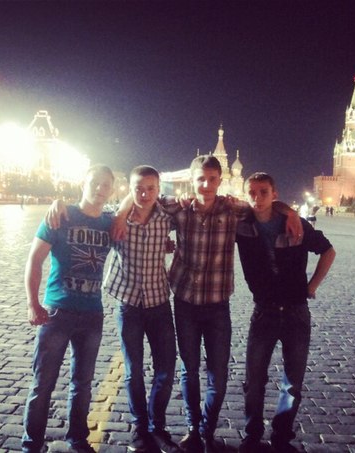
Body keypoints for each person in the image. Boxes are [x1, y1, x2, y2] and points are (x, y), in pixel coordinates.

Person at [113, 155, 301, 453]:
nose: (206, 185)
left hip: (217, 306)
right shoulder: (178, 208)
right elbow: (142, 196)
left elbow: (263, 203)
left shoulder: (233, 209)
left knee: (219, 376)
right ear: (192, 179)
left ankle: (207, 430)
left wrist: (290, 212)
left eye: (212, 179)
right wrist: (121, 212)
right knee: (189, 371)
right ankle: (192, 429)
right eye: (200, 179)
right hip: (185, 303)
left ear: (220, 180)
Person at [236, 172, 336, 453]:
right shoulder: (241, 225)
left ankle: (281, 437)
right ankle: (252, 435)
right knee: (254, 381)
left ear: (274, 194)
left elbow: (328, 251)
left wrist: (312, 285)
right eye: (252, 192)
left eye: (263, 192)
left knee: (292, 383)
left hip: (296, 313)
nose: (257, 198)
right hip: (264, 312)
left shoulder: (296, 224)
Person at [21, 165, 115, 453]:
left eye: (106, 185)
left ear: (111, 190)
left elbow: (140, 205)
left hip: (92, 314)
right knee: (43, 384)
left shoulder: (110, 223)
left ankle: (78, 439)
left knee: (83, 384)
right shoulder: (61, 216)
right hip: (57, 312)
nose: (99, 189)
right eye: (95, 182)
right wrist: (33, 303)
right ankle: (31, 444)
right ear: (83, 183)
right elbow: (35, 259)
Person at [103, 165, 180, 453]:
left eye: (150, 188)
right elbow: (84, 213)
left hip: (159, 302)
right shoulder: (116, 219)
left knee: (166, 369)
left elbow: (199, 202)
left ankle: (157, 426)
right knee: (133, 371)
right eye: (138, 189)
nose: (145, 194)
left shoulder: (167, 216)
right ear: (130, 189)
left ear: (159, 189)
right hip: (128, 304)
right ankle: (140, 427)